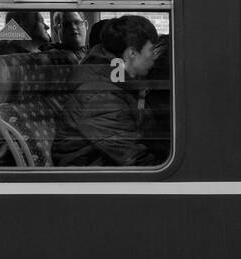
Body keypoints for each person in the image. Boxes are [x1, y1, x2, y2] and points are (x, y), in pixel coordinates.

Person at [52, 15, 161, 166]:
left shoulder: (120, 79)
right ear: (132, 54)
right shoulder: (99, 96)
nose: (155, 57)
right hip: (91, 172)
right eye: (151, 50)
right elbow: (133, 159)